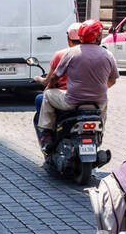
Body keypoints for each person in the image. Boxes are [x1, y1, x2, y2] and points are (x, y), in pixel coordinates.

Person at [35, 20, 118, 149]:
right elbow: (112, 80)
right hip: (98, 104)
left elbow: (55, 77)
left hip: (72, 103)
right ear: (98, 36)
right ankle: (99, 133)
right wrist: (98, 89)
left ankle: (46, 133)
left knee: (46, 95)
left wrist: (49, 87)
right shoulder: (108, 55)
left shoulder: (71, 53)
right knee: (105, 100)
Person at [33, 22, 81, 138]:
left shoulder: (62, 54)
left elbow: (50, 80)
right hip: (91, 99)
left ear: (69, 39)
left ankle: (47, 132)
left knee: (41, 98)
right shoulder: (95, 55)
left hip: (67, 97)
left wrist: (38, 79)